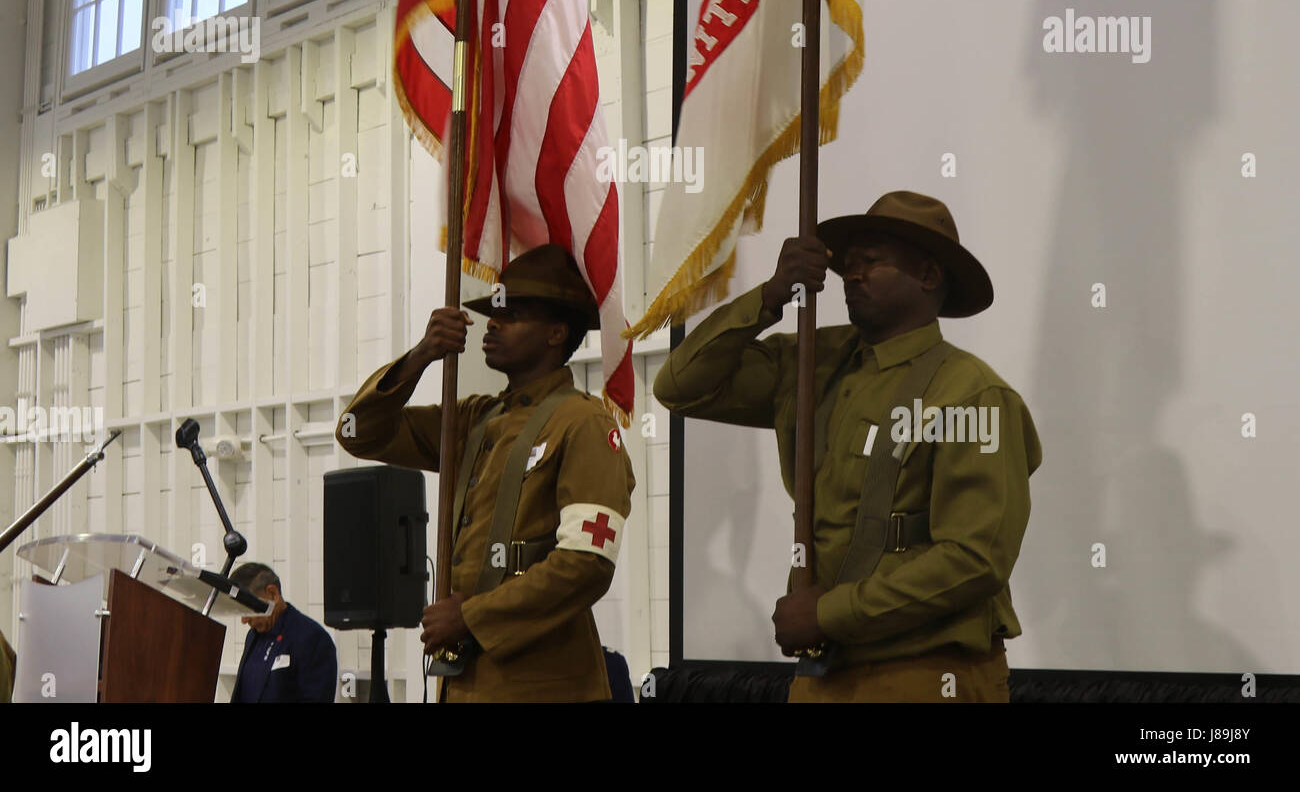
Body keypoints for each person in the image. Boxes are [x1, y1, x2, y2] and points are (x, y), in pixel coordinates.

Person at [654, 190, 1042, 703]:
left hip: (926, 675)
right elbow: (680, 387)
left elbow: (973, 559)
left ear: (928, 276)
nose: (851, 275)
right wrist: (769, 298)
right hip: (823, 674)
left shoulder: (973, 394)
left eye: (872, 262)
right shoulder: (811, 362)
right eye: (848, 264)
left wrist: (827, 614)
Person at [336, 243, 635, 702]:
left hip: (543, 686)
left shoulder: (585, 424)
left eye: (514, 314)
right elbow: (357, 433)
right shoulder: (476, 419)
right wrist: (420, 356)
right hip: (467, 681)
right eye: (496, 311)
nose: (492, 322)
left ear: (557, 333)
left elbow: (586, 564)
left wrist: (473, 617)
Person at [229, 562, 337, 703]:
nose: (244, 620)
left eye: (248, 609)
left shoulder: (312, 638)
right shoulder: (253, 636)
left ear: (273, 594)